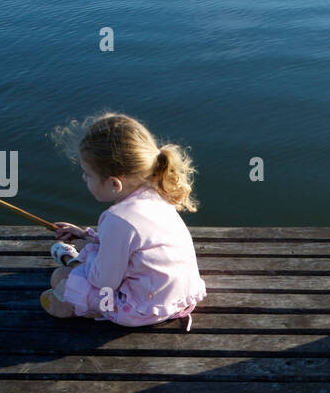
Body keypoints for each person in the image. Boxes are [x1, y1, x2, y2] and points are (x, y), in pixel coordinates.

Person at [42, 113, 207, 329]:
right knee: (74, 272)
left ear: (114, 184)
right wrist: (86, 237)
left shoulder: (117, 219)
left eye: (88, 174)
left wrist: (87, 258)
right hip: (181, 296)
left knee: (61, 278)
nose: (84, 178)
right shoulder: (156, 193)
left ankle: (73, 290)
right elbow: (134, 244)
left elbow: (104, 282)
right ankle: (75, 262)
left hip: (141, 309)